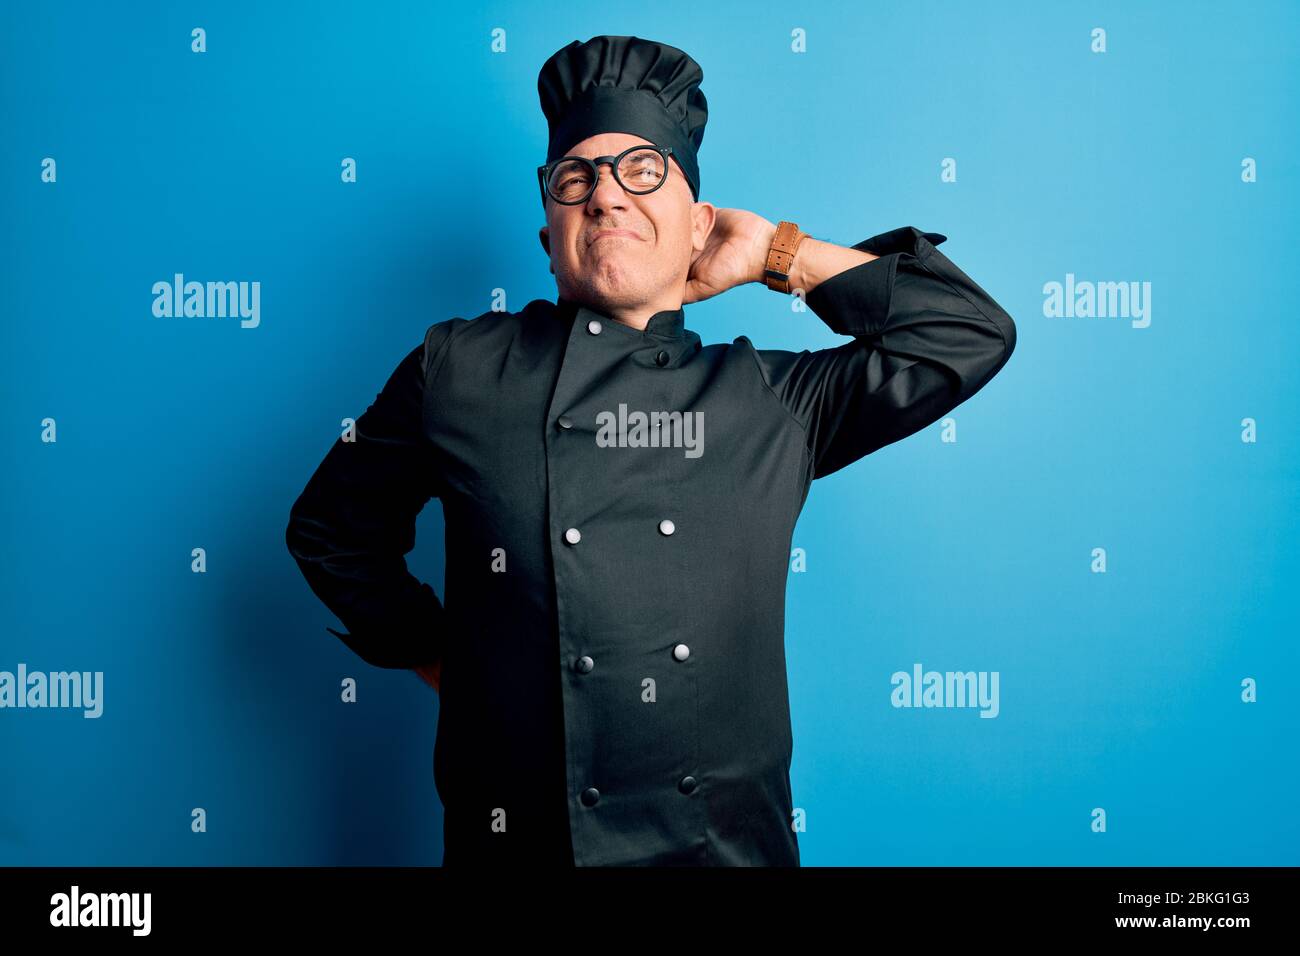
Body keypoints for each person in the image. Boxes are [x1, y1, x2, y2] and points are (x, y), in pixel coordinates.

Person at [285, 34, 1017, 866]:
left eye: (642, 170)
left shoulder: (770, 400)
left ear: (698, 223)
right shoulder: (459, 370)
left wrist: (778, 254)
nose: (606, 196)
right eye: (576, 179)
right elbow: (331, 531)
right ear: (549, 233)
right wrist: (445, 662)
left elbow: (966, 335)